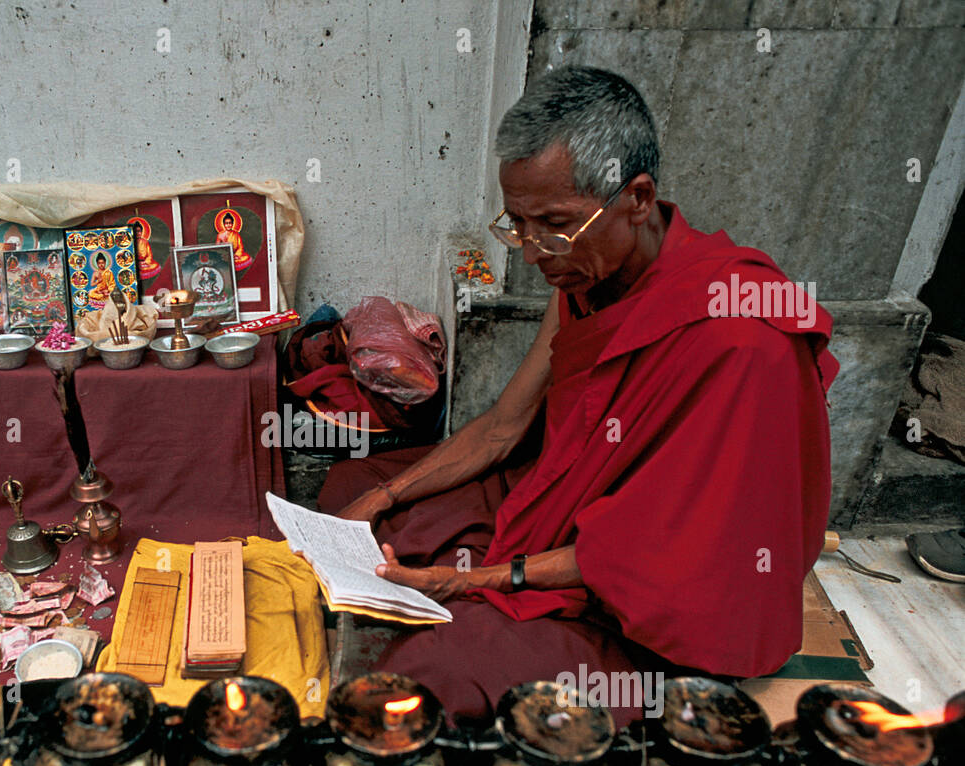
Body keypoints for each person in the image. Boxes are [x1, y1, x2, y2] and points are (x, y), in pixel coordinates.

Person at [318, 66, 840, 726]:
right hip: (559, 504)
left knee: (436, 677)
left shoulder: (742, 342)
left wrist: (476, 579)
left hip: (646, 607)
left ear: (639, 197)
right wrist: (382, 496)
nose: (533, 252)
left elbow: (665, 562)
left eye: (554, 225)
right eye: (518, 224)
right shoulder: (586, 274)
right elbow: (507, 426)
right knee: (352, 488)